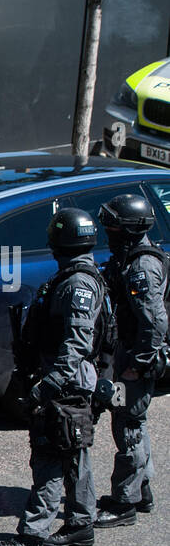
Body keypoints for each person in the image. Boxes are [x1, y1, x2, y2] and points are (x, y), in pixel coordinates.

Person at [0, 209, 104, 546]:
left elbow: (77, 342)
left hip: (65, 383)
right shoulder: (73, 278)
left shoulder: (77, 284)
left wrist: (49, 384)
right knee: (74, 451)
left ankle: (31, 539)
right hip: (72, 380)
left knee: (51, 456)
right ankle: (82, 522)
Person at [94, 194, 168, 527]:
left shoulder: (142, 266)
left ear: (128, 228)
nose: (107, 229)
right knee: (131, 421)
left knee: (129, 426)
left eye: (112, 224)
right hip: (130, 351)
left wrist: (137, 363)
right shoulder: (129, 259)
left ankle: (124, 503)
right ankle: (142, 491)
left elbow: (154, 321)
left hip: (136, 357)